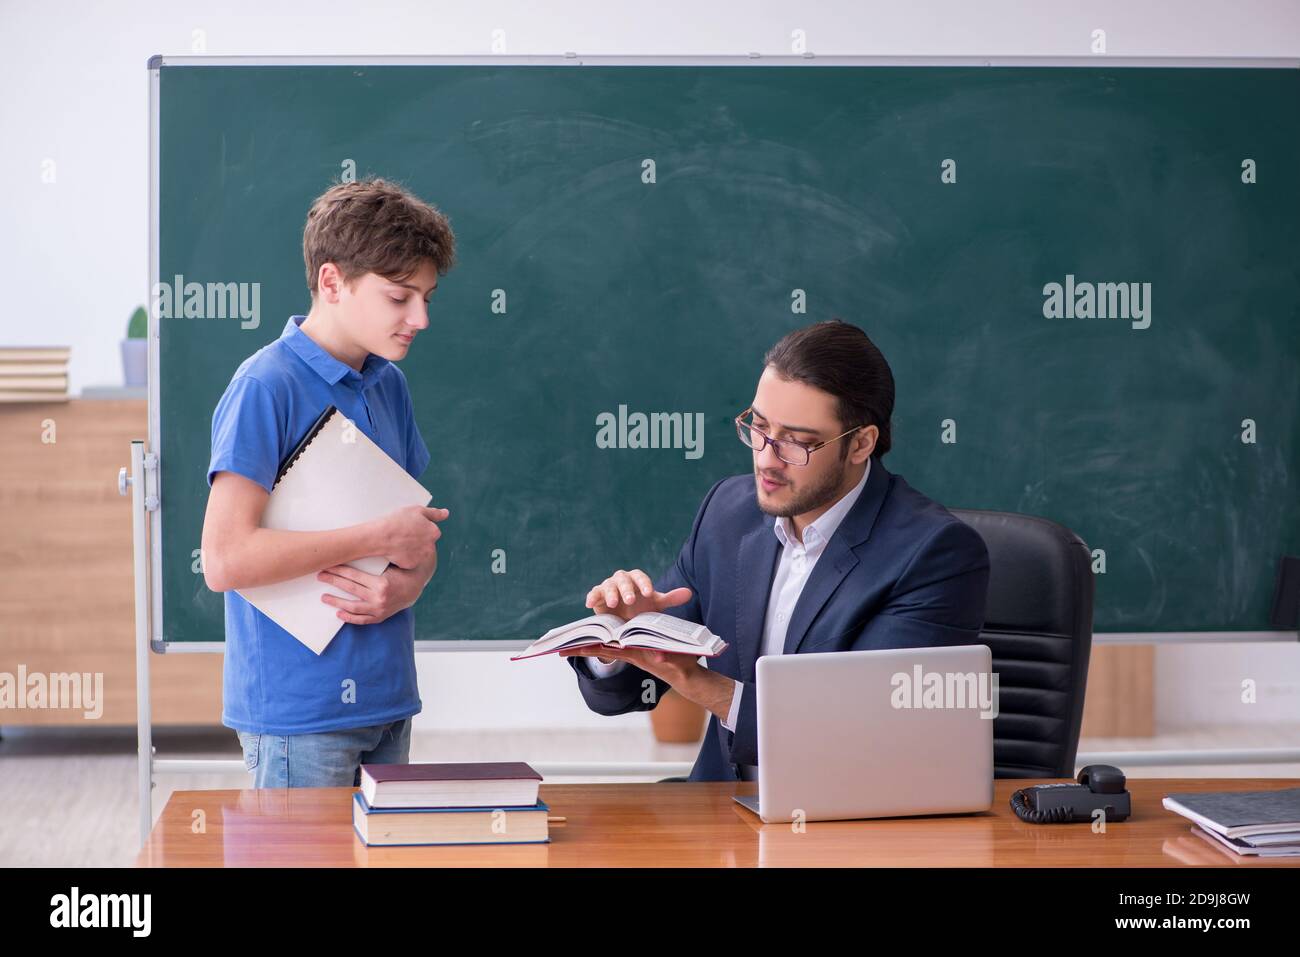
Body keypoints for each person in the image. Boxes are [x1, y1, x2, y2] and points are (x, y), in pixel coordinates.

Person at [561, 319, 991, 781]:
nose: (766, 458)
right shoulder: (728, 513)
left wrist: (700, 683)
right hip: (717, 822)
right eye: (759, 427)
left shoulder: (933, 554)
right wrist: (621, 638)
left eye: (797, 442)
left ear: (862, 443)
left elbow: (869, 736)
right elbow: (622, 694)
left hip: (847, 833)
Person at [200, 177, 455, 787]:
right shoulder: (266, 386)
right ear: (333, 282)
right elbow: (224, 560)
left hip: (388, 697)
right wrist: (375, 534)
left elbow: (409, 540)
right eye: (400, 297)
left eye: (427, 297)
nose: (419, 317)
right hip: (300, 713)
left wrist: (411, 583)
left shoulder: (388, 383)